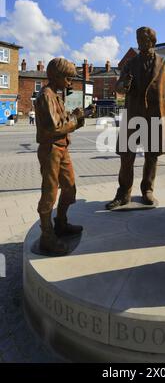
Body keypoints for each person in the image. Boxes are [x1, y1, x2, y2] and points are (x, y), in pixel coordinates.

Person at [106, 26, 165, 209]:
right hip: (134, 114)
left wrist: (160, 103)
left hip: (154, 116)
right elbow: (119, 88)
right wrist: (124, 86)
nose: (140, 43)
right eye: (138, 39)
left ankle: (147, 190)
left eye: (143, 40)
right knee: (126, 156)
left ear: (152, 41)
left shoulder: (164, 63)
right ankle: (123, 194)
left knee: (151, 156)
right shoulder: (130, 63)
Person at [35, 57, 89, 255]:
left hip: (62, 148)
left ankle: (61, 224)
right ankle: (47, 236)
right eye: (68, 78)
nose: (70, 82)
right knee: (50, 192)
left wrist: (75, 115)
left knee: (69, 186)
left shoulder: (57, 96)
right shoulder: (46, 96)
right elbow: (54, 127)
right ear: (57, 76)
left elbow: (62, 119)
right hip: (50, 150)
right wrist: (75, 119)